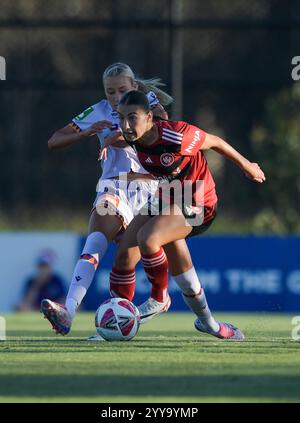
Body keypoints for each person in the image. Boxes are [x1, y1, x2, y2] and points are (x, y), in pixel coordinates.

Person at [41, 63, 221, 340]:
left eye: (121, 90)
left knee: (130, 258)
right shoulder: (99, 110)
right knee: (95, 243)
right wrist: (87, 132)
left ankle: (160, 299)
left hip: (151, 189)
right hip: (114, 186)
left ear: (134, 87)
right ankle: (69, 311)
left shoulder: (149, 106)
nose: (114, 97)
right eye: (110, 91)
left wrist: (115, 135)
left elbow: (154, 133)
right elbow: (54, 140)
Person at [110, 89, 266, 340]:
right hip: (167, 195)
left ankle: (159, 298)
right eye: (121, 118)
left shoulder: (178, 136)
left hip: (198, 201)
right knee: (124, 255)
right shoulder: (132, 135)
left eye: (132, 118)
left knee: (148, 239)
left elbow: (214, 141)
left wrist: (247, 165)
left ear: (149, 118)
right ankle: (117, 321)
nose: (125, 125)